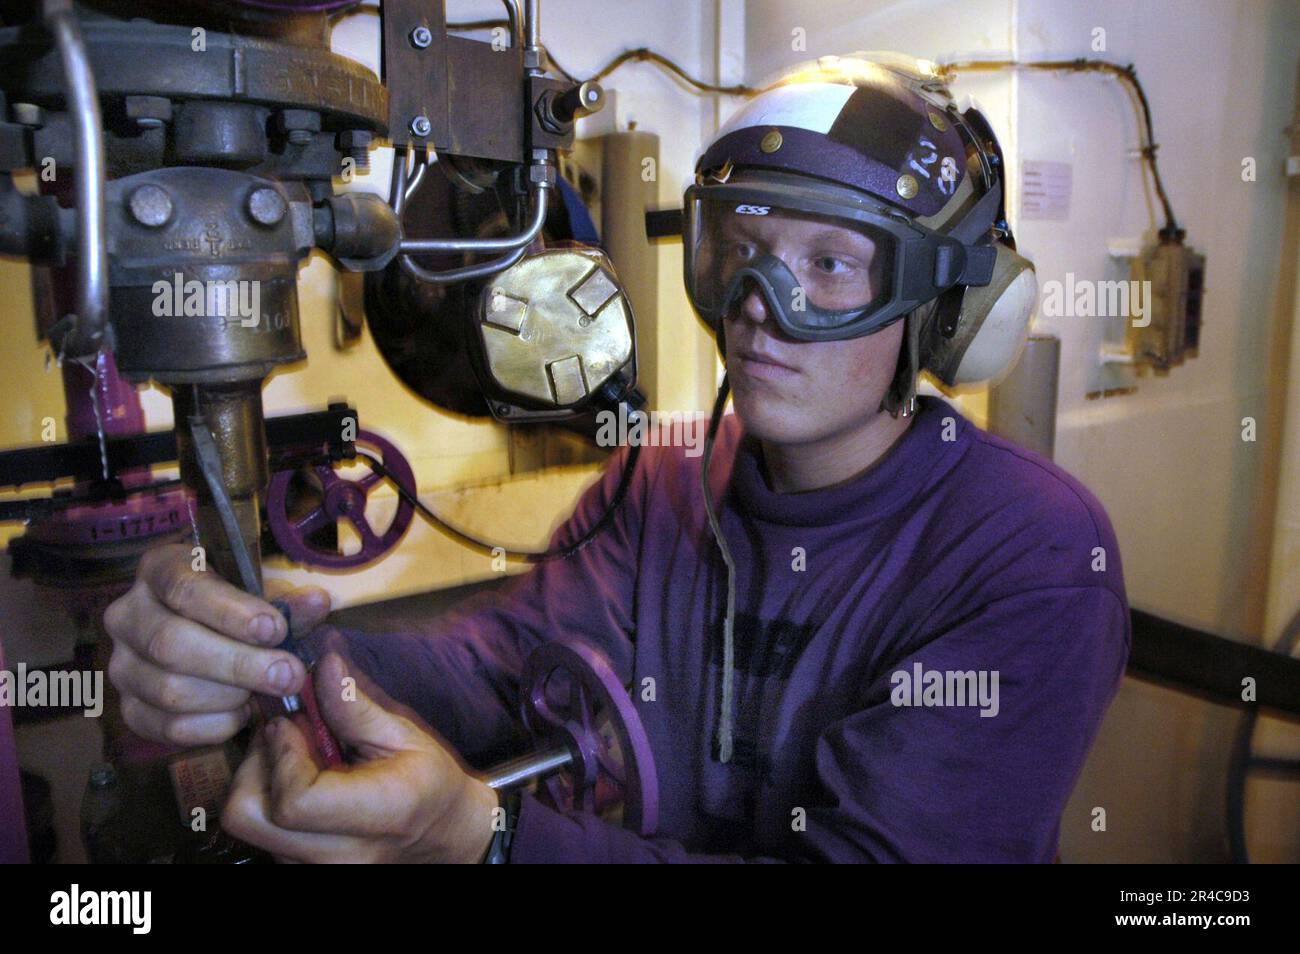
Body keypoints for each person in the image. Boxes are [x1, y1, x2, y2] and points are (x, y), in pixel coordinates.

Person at [103, 53, 1130, 863]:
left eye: (827, 264)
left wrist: (487, 841)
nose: (755, 311)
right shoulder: (665, 483)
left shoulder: (1029, 554)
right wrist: (275, 656)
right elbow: (500, 664)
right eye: (739, 254)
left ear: (947, 307)